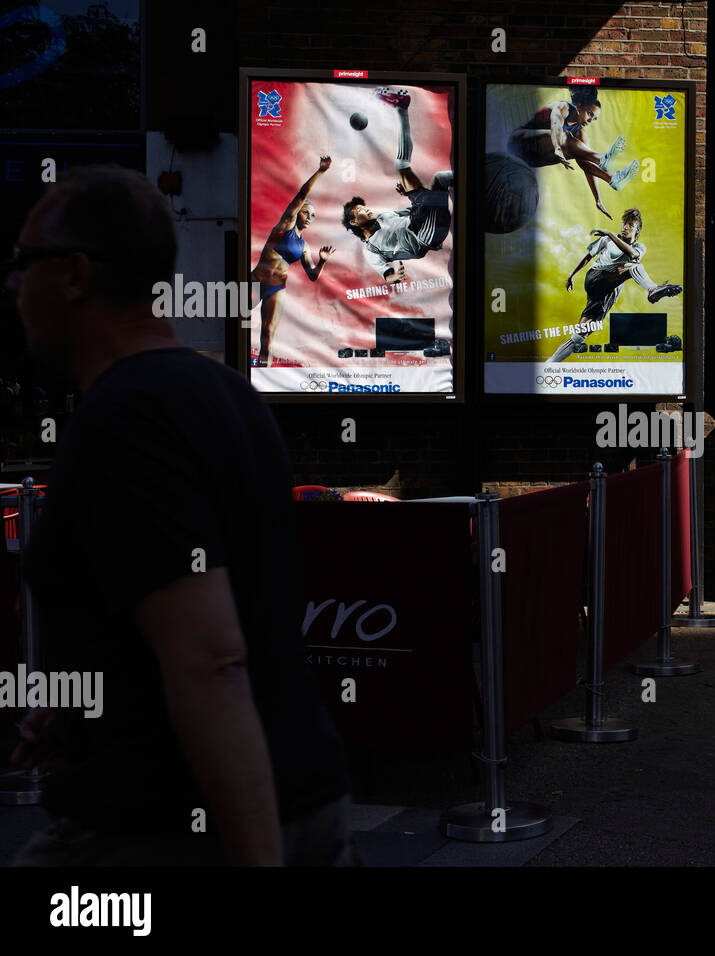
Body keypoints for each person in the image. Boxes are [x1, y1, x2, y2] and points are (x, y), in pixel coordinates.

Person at [4, 166, 354, 866]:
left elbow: (210, 660)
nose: (12, 285)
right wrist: (87, 705)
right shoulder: (221, 391)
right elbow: (205, 612)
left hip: (165, 829)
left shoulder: (124, 418)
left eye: (23, 262)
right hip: (304, 793)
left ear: (75, 275)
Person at [342, 87, 453, 285]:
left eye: (363, 206)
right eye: (360, 210)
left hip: (427, 223)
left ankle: (480, 178)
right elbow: (389, 276)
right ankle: (401, 107)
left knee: (440, 180)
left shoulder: (385, 217)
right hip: (423, 237)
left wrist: (410, 194)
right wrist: (397, 276)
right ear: (353, 222)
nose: (366, 208)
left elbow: (413, 211)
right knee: (402, 167)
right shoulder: (371, 249)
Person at [548, 207, 682, 363]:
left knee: (580, 335)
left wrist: (609, 234)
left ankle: (549, 364)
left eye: (631, 224)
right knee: (634, 266)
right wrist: (571, 275)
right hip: (596, 277)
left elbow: (633, 254)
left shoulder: (640, 247)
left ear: (637, 230)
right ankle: (653, 289)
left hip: (606, 294)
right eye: (624, 223)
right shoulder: (607, 240)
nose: (626, 227)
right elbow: (588, 256)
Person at [251, 155, 335, 368]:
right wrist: (320, 172)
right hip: (256, 281)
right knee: (236, 318)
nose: (309, 216)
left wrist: (322, 262)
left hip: (277, 287)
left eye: (313, 215)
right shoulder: (284, 226)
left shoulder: (305, 246)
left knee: (267, 336)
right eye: (306, 212)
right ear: (298, 213)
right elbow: (302, 195)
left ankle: (263, 377)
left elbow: (313, 275)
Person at [507, 87, 639, 221]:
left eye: (594, 119)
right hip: (519, 142)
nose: (590, 120)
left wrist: (598, 199)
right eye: (589, 114)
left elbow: (586, 166)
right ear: (580, 107)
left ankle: (611, 178)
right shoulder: (563, 107)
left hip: (532, 159)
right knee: (565, 138)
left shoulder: (580, 132)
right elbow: (556, 124)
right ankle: (601, 159)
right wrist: (558, 147)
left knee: (582, 154)